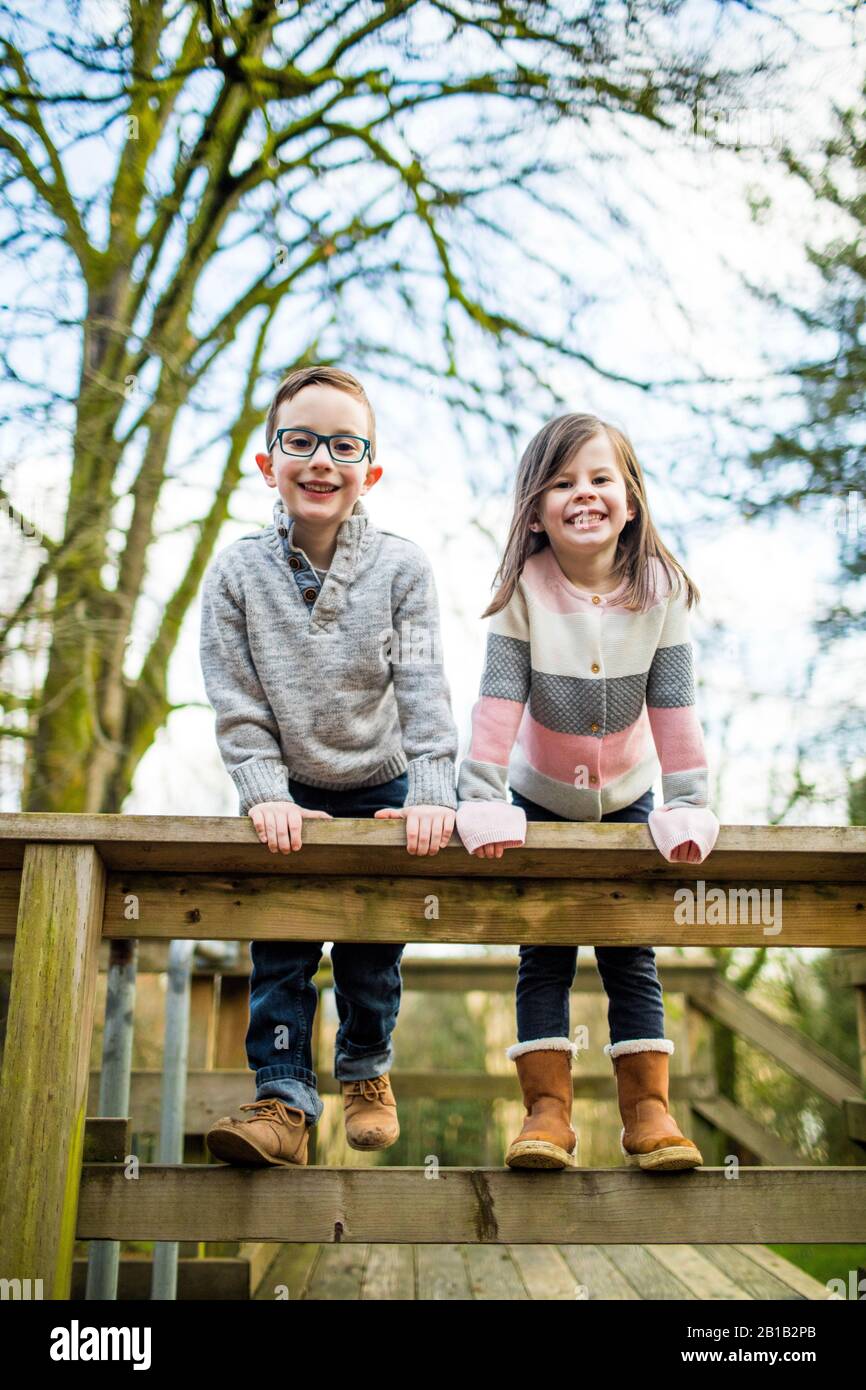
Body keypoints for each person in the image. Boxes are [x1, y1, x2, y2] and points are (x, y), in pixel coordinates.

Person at [199, 365, 458, 1167]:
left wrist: (434, 792)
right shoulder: (236, 574)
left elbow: (422, 686)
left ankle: (366, 1069)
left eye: (344, 444)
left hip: (383, 783)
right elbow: (236, 701)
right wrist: (264, 793)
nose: (321, 459)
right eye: (300, 441)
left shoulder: (403, 570)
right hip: (289, 788)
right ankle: (283, 1101)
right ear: (268, 462)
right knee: (281, 945)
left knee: (370, 946)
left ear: (369, 469)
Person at [455, 413, 720, 1173]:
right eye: (562, 482)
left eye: (601, 479)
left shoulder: (660, 591)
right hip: (536, 796)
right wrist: (480, 796)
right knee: (544, 949)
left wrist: (687, 802)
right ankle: (547, 1112)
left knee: (629, 949)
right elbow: (498, 699)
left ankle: (648, 1110)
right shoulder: (523, 591)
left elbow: (674, 707)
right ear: (536, 509)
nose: (584, 494)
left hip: (631, 797)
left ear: (630, 501)